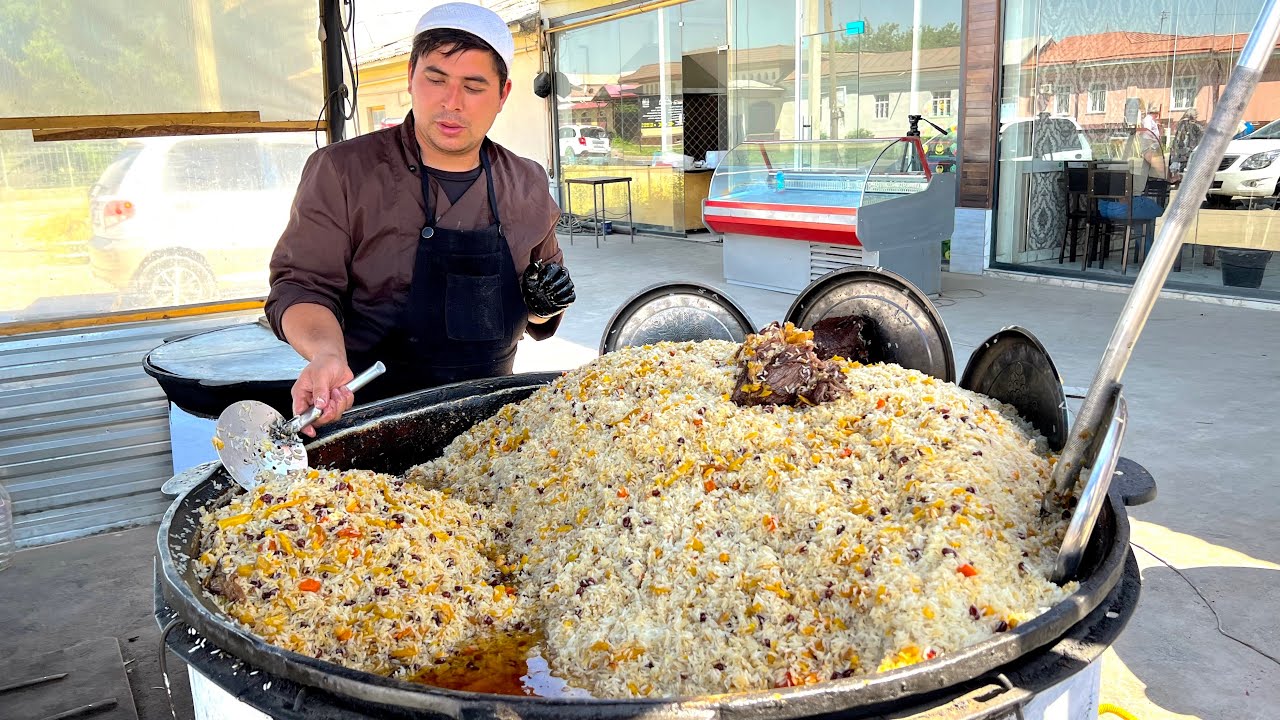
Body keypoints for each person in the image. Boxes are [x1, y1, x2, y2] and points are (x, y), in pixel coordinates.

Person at [266, 2, 576, 435]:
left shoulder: (526, 183)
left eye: (474, 86)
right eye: (435, 79)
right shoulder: (343, 171)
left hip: (490, 430)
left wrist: (545, 306)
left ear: (502, 94)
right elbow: (301, 286)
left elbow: (539, 305)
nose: (452, 102)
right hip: (367, 422)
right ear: (411, 76)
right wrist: (326, 354)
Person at [1098, 107, 1179, 260]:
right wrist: (1171, 176)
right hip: (1124, 207)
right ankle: (1159, 259)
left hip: (1103, 207)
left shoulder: (1122, 145)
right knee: (1165, 217)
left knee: (1140, 211)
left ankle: (1148, 256)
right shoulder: (1143, 141)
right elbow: (1155, 162)